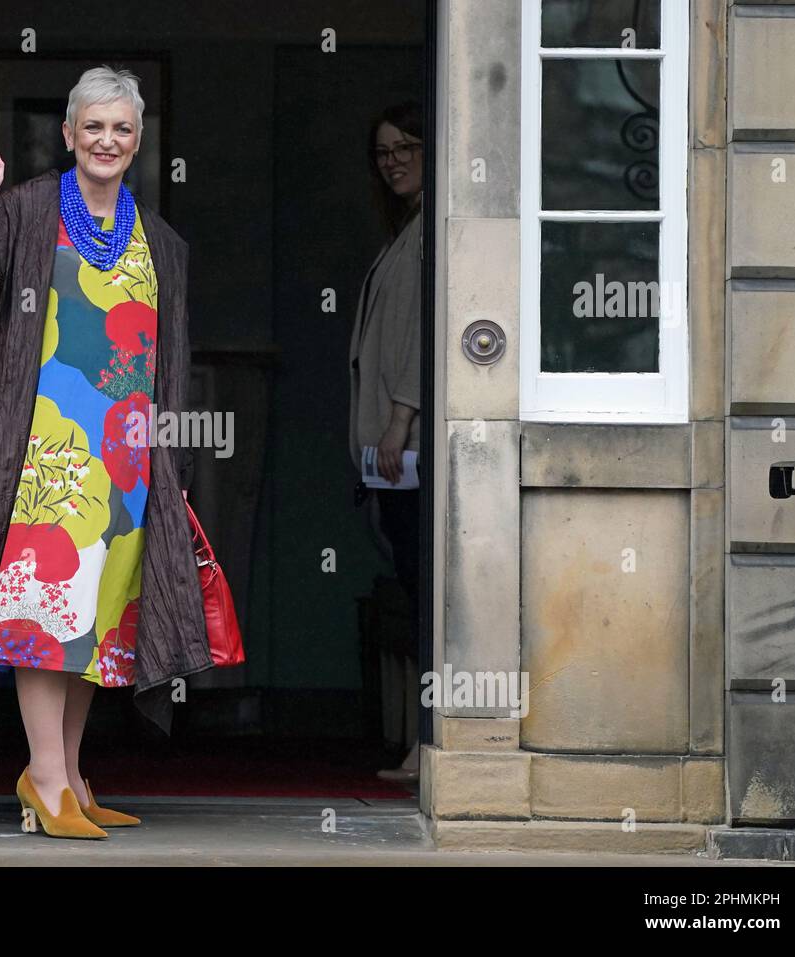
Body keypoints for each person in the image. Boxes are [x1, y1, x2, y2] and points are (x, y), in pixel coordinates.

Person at [0, 66, 211, 839]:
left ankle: (70, 774)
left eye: (121, 129)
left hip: (125, 466)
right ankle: (43, 776)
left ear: (138, 140)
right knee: (39, 617)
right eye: (93, 127)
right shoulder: (23, 211)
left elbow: (169, 363)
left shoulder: (164, 244)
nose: (106, 141)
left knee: (96, 627)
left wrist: (169, 463)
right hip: (40, 458)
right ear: (68, 134)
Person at [347, 101, 423, 786]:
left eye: (405, 145)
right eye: (383, 150)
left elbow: (421, 335)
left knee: (424, 592)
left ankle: (428, 745)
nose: (393, 159)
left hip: (412, 446)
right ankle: (419, 745)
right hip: (390, 448)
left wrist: (401, 420)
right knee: (411, 586)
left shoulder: (433, 232)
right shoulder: (407, 230)